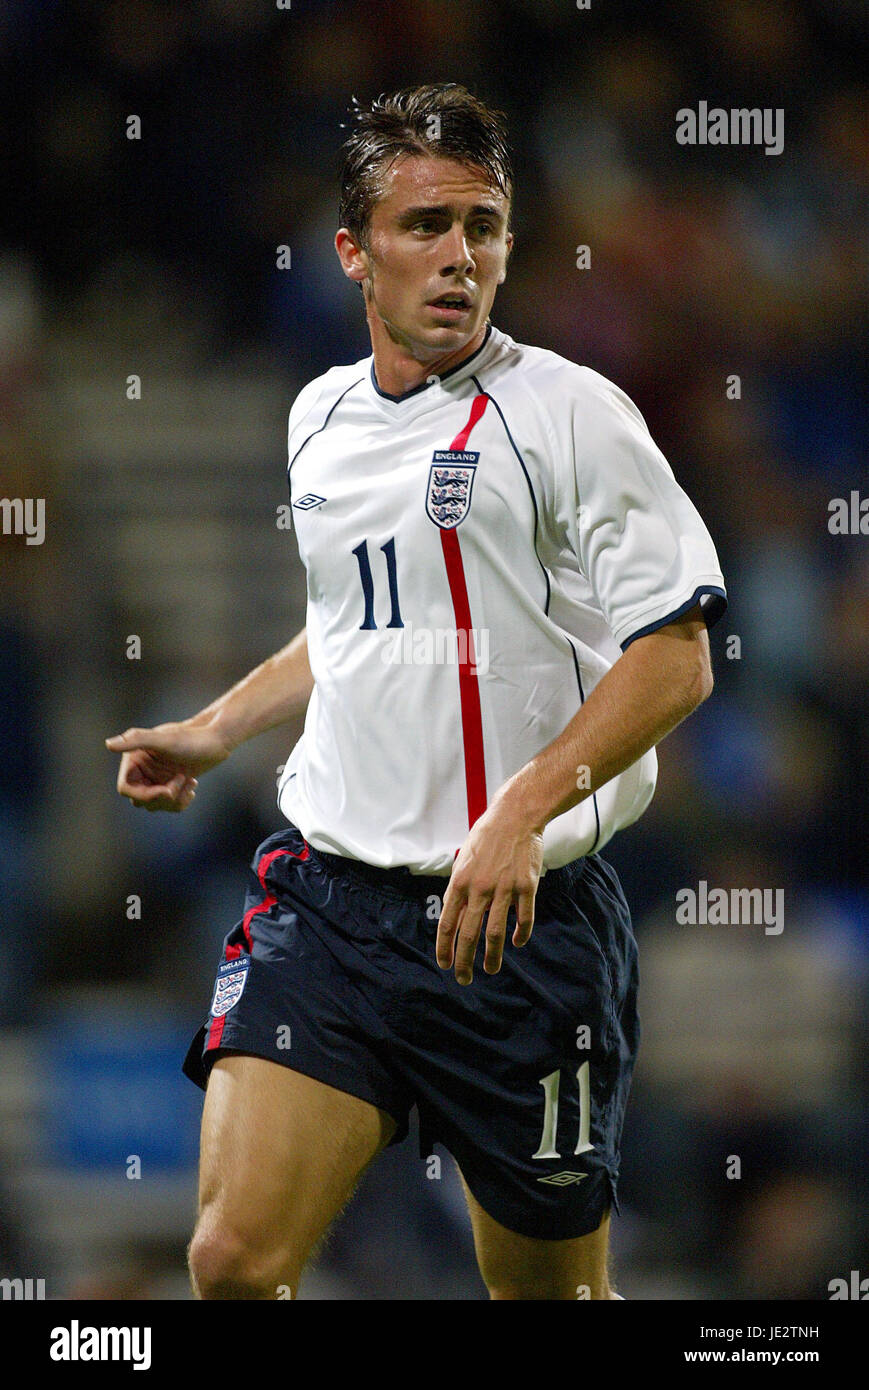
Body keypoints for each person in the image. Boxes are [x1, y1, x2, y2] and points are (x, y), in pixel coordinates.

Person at [106, 84, 726, 1301]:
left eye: (482, 227)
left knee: (548, 1298)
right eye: (424, 225)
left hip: (522, 925)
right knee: (231, 1265)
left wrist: (516, 815)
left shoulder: (566, 413)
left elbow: (677, 655)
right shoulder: (318, 417)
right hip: (329, 907)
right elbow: (356, 621)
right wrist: (219, 728)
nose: (458, 258)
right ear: (353, 251)